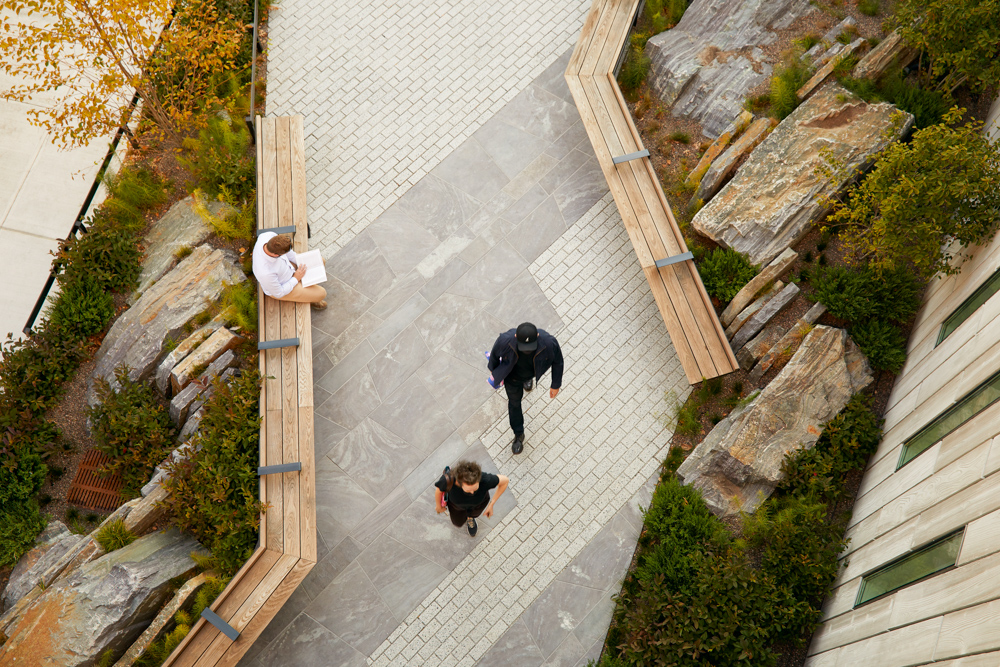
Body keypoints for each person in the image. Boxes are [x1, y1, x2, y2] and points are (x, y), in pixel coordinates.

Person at [487, 322, 563, 454]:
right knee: (514, 404)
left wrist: (555, 384)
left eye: (530, 347)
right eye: (524, 347)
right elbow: (494, 356)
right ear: (516, 336)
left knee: (528, 372)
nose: (527, 350)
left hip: (531, 372)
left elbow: (558, 361)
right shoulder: (504, 340)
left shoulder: (549, 343)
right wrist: (495, 373)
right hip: (512, 379)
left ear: (538, 336)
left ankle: (528, 380)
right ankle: (519, 434)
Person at [252, 232, 327, 310]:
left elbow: (290, 255)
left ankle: (308, 289)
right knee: (322, 293)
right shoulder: (265, 273)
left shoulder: (268, 235)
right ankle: (310, 294)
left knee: (320, 261)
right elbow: (279, 293)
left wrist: (301, 262)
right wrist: (296, 278)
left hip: (289, 268)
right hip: (284, 285)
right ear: (276, 255)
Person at [434, 460, 509, 536]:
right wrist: (438, 506)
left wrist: (492, 504)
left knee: (474, 514)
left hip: (478, 505)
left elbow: (505, 481)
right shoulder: (448, 480)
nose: (472, 493)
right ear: (459, 484)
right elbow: (439, 490)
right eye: (468, 490)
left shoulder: (485, 479)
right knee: (457, 522)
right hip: (457, 507)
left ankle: (470, 518)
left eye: (475, 488)